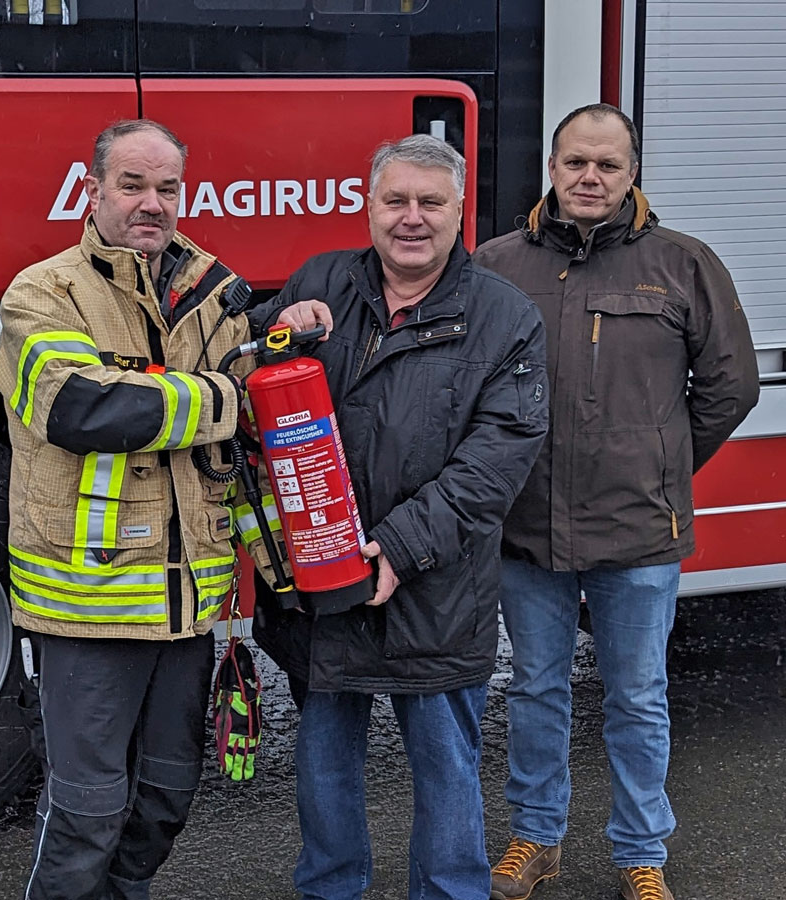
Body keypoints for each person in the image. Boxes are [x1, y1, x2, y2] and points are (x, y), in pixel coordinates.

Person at [247, 133, 549, 900]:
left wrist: (401, 545)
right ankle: (330, 891)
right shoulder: (320, 283)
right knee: (322, 766)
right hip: (323, 584)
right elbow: (250, 385)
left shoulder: (504, 316)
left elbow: (497, 460)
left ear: (459, 212)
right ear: (368, 206)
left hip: (437, 586)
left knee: (447, 769)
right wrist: (277, 335)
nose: (411, 218)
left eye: (429, 203)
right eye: (395, 201)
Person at [474, 103, 759, 900]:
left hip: (640, 533)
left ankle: (642, 854)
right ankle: (536, 837)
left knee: (637, 699)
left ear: (633, 173)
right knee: (534, 691)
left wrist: (661, 464)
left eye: (608, 164)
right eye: (576, 163)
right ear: (553, 168)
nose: (590, 178)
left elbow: (730, 385)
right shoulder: (498, 266)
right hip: (528, 529)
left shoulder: (683, 263)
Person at [0, 119, 253, 900]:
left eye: (166, 187)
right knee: (86, 814)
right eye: (132, 185)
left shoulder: (215, 292)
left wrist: (285, 335)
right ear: (94, 190)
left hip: (187, 610)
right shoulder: (44, 292)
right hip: (89, 609)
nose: (151, 203)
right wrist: (220, 398)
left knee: (166, 801)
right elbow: (85, 409)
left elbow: (255, 394)